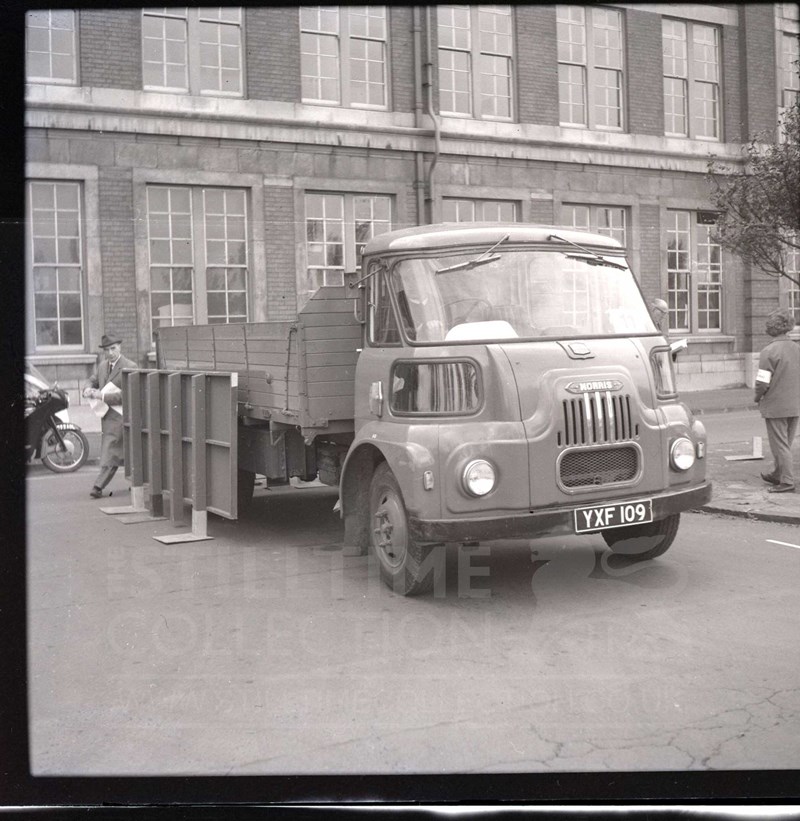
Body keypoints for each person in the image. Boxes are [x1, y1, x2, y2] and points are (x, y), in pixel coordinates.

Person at [82, 332, 136, 499]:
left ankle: (98, 486)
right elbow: (93, 379)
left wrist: (102, 396)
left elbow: (129, 395)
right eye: (107, 350)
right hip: (107, 416)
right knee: (126, 452)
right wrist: (87, 388)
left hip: (123, 416)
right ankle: (138, 482)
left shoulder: (130, 366)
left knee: (111, 450)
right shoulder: (103, 366)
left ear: (120, 347)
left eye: (113, 348)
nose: (110, 352)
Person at [755, 308, 800, 493]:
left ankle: (787, 481)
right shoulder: (797, 348)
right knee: (786, 443)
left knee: (779, 445)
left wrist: (757, 397)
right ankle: (777, 473)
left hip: (776, 405)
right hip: (795, 403)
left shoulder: (769, 351)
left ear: (772, 327)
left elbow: (762, 382)